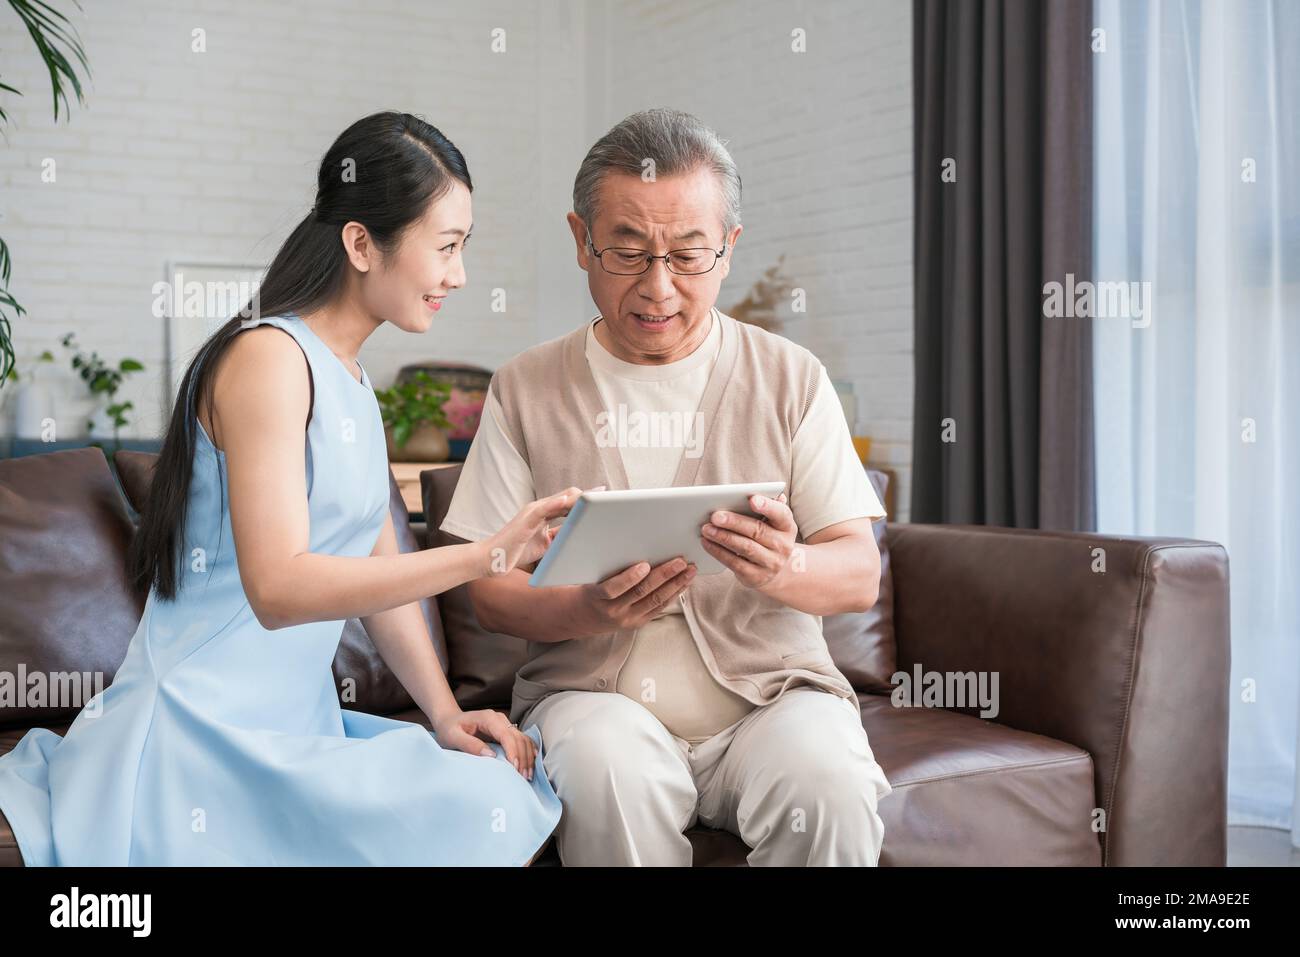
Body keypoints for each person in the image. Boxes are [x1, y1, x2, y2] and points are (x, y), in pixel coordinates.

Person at [0, 111, 579, 866]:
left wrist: (442, 712)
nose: (459, 275)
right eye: (446, 247)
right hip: (202, 734)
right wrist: (484, 558)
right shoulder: (268, 360)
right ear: (362, 243)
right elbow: (278, 586)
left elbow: (382, 578)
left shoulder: (357, 387)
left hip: (294, 727)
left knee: (495, 791)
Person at [440, 108, 894, 866]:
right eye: (626, 251)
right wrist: (581, 607)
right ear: (581, 240)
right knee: (604, 767)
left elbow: (858, 574)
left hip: (773, 703)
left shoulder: (790, 378)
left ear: (729, 250)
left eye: (688, 255)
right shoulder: (526, 387)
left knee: (831, 781)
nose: (659, 288)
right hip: (596, 704)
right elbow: (488, 585)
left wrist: (788, 568)